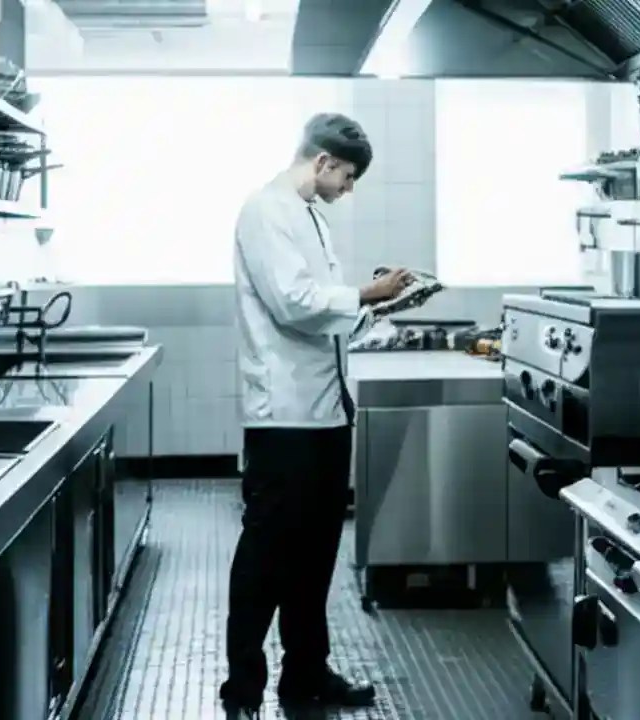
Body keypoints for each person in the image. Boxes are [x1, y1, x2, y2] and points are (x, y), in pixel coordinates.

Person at [220, 112, 411, 718]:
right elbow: (294, 303)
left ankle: (305, 675)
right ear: (323, 161)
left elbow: (325, 316)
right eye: (347, 177)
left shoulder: (310, 217)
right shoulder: (264, 211)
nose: (347, 190)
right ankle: (242, 688)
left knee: (315, 557)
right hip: (284, 417)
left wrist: (377, 306)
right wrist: (364, 295)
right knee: (266, 558)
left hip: (326, 413)